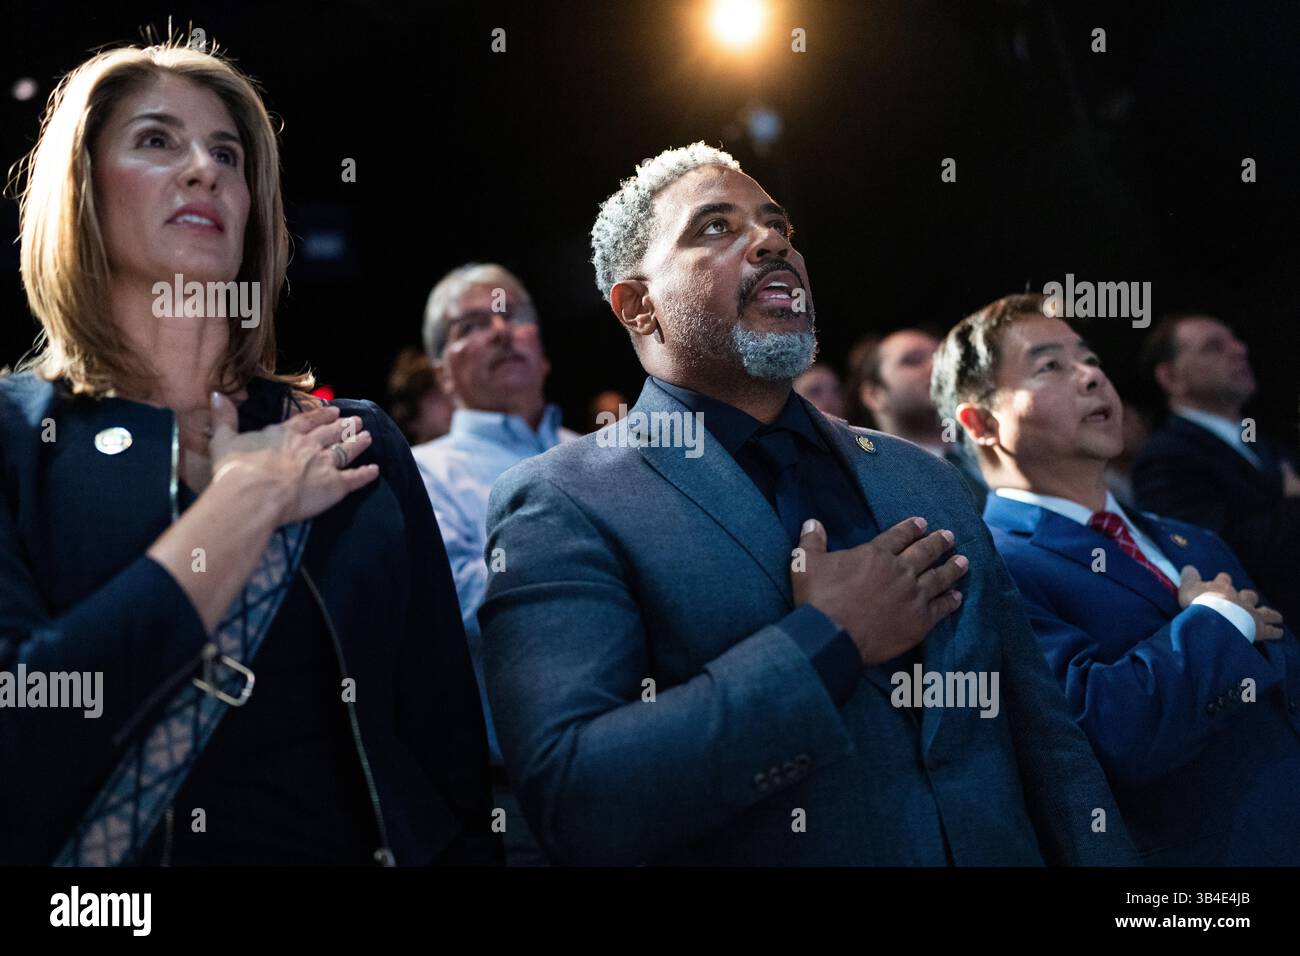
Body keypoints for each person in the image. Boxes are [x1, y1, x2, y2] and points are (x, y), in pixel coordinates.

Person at [477, 143, 1136, 866]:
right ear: (639, 307)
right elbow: (577, 798)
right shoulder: (563, 499)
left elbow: (1046, 741)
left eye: (778, 225)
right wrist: (831, 640)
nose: (771, 243)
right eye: (715, 228)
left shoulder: (927, 479)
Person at [0, 40, 498, 866]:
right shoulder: (17, 437)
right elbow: (23, 739)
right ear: (83, 189)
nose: (203, 170)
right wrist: (241, 505)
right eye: (157, 141)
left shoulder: (356, 440)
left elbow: (444, 749)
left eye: (225, 153)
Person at [932, 294, 1300, 865]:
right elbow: (1104, 733)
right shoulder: (990, 565)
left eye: (1091, 358)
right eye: (1050, 365)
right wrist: (1215, 620)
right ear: (980, 422)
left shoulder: (1192, 539)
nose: (1091, 376)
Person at [411, 262, 576, 864]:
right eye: (473, 324)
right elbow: (464, 606)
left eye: (515, 315)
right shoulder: (421, 473)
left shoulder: (604, 455)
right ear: (442, 372)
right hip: (511, 805)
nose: (502, 330)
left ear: (543, 348)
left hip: (646, 778)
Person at [1132, 313, 1300, 621]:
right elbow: (1214, 556)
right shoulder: (1164, 458)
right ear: (1170, 377)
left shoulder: (1265, 443)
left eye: (1235, 340)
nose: (1240, 350)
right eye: (1213, 347)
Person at [860, 328, 987, 508]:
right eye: (913, 361)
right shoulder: (875, 486)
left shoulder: (993, 447)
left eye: (942, 356)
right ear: (874, 395)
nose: (936, 366)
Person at [386, 346, 452, 445]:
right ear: (410, 417)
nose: (451, 402)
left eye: (451, 393)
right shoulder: (403, 460)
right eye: (436, 397)